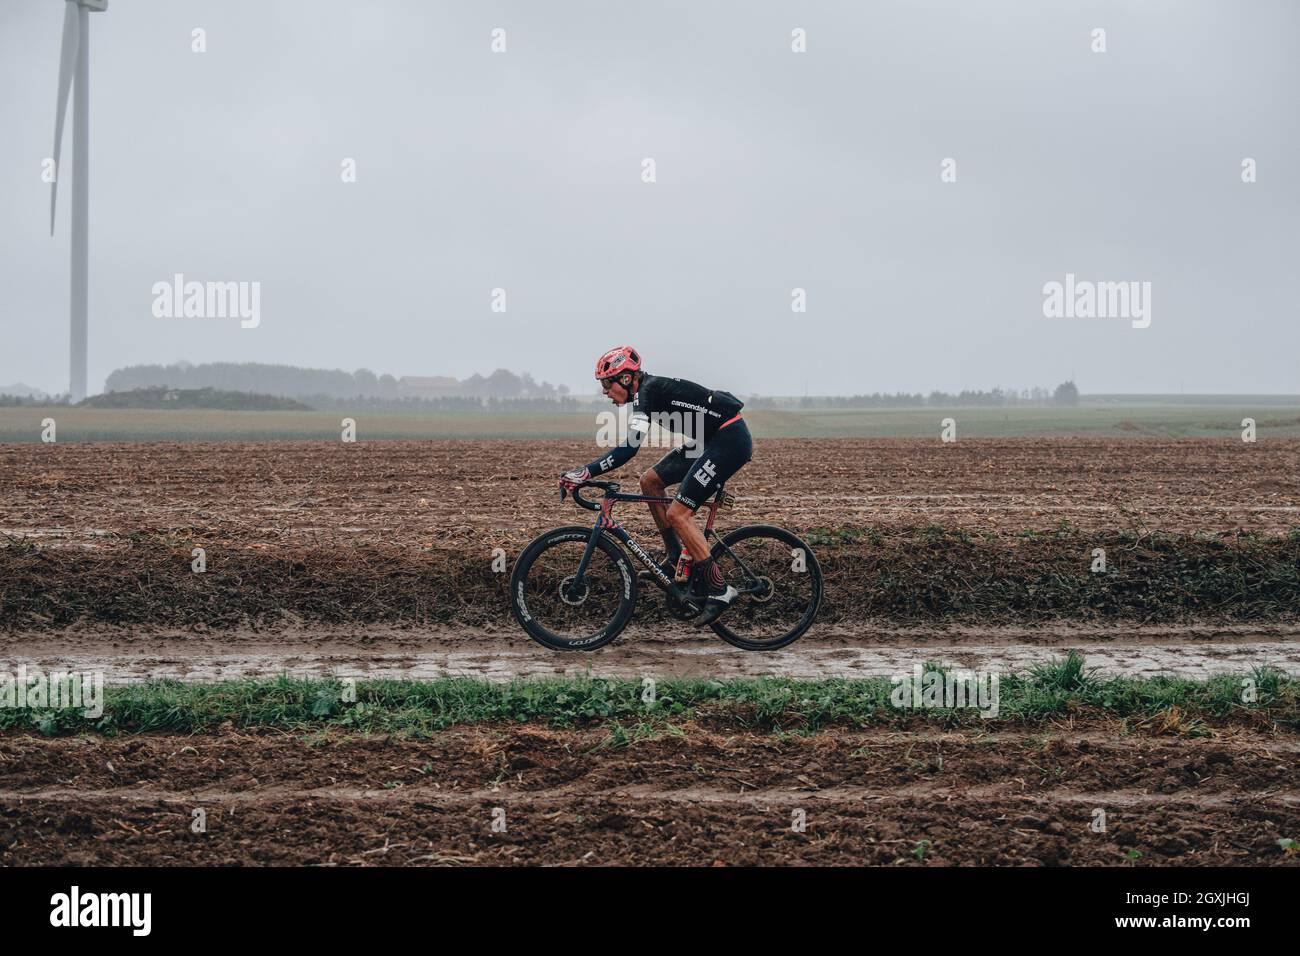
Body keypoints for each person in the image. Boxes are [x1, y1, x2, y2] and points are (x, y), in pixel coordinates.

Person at [560, 345, 753, 625]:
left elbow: (629, 450)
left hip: (729, 441)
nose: (604, 391)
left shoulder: (649, 392)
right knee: (650, 482)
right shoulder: (646, 393)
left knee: (678, 514)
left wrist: (585, 472)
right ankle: (675, 558)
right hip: (710, 441)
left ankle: (719, 589)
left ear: (626, 379)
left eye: (606, 383)